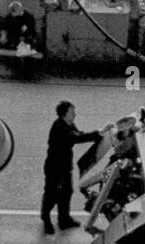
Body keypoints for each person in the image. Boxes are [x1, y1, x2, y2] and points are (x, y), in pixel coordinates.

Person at [42, 100, 108, 235]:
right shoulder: (60, 127)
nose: (75, 114)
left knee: (66, 192)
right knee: (52, 194)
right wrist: (99, 133)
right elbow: (78, 138)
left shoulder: (69, 124)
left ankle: (64, 219)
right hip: (55, 167)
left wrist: (97, 135)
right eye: (72, 112)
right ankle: (46, 218)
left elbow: (79, 134)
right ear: (65, 114)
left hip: (65, 166)